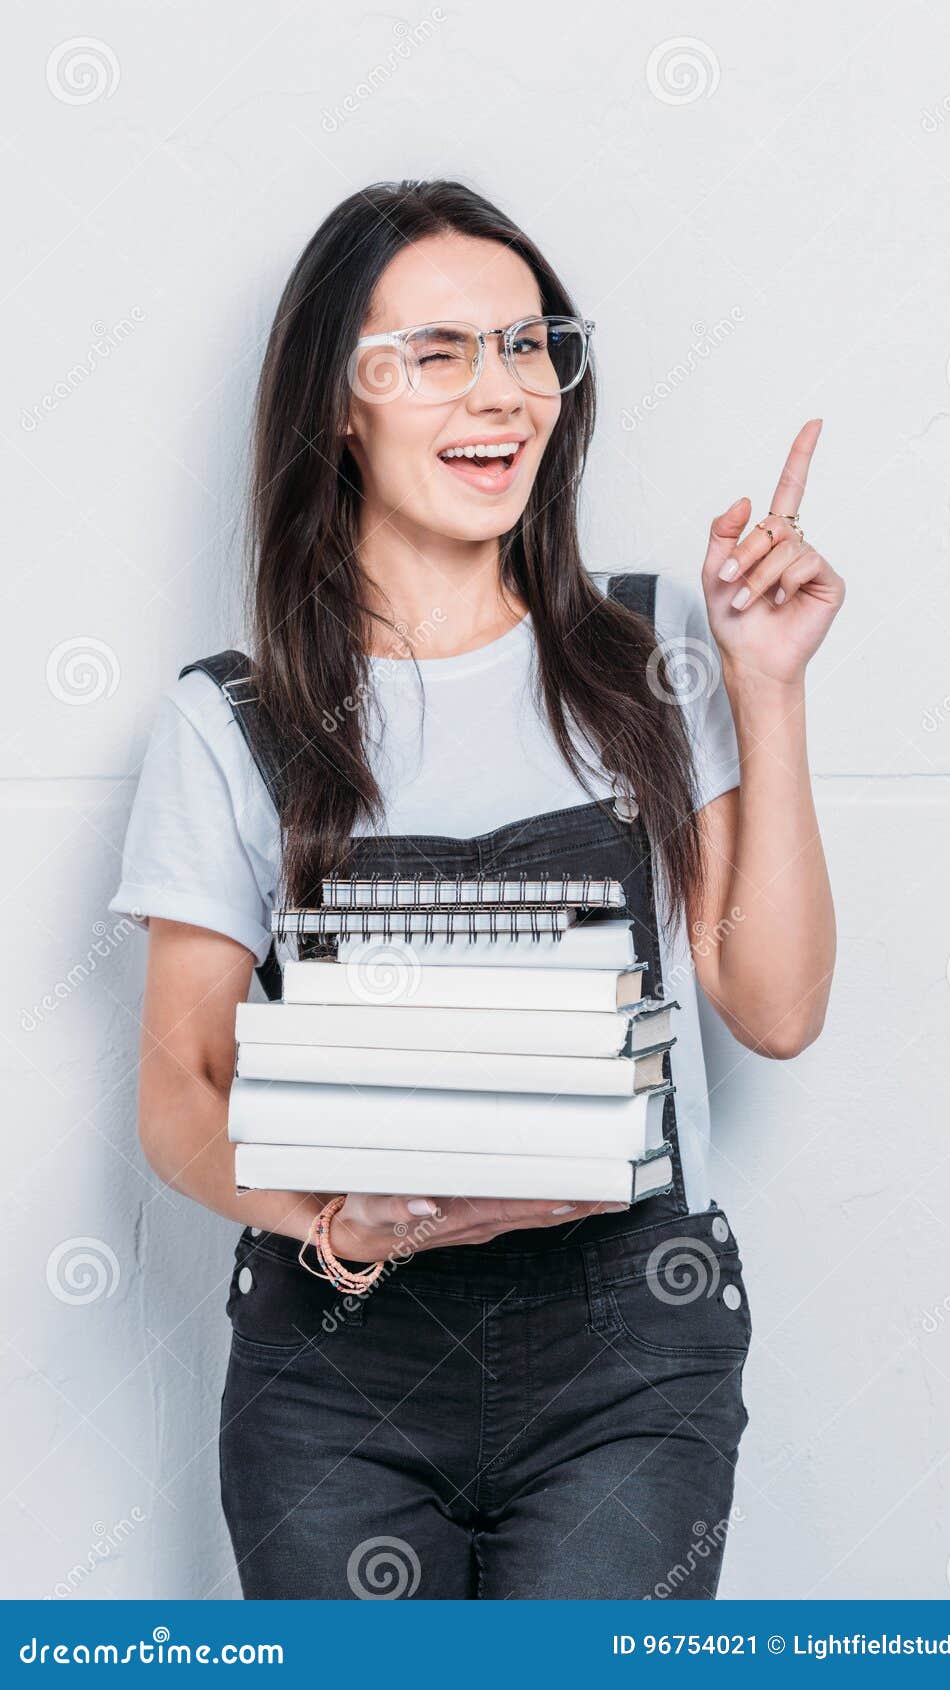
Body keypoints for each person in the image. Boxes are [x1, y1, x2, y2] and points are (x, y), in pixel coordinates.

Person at [108, 178, 842, 1600]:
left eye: (527, 345)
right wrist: (333, 1222)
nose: (500, 392)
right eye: (436, 353)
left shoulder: (650, 653)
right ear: (338, 400)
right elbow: (182, 1088)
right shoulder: (232, 719)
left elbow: (779, 1003)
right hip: (336, 1374)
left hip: (633, 1352)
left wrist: (766, 688)